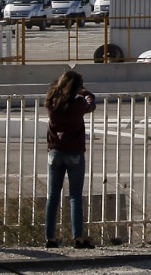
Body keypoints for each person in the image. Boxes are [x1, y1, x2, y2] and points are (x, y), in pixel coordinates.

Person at [44, 70, 97, 249]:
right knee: (74, 196)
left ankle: (50, 238)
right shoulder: (79, 103)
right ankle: (78, 238)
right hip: (74, 152)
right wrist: (87, 93)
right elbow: (91, 104)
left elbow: (55, 92)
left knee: (52, 196)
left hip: (55, 152)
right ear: (77, 87)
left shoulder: (51, 103)